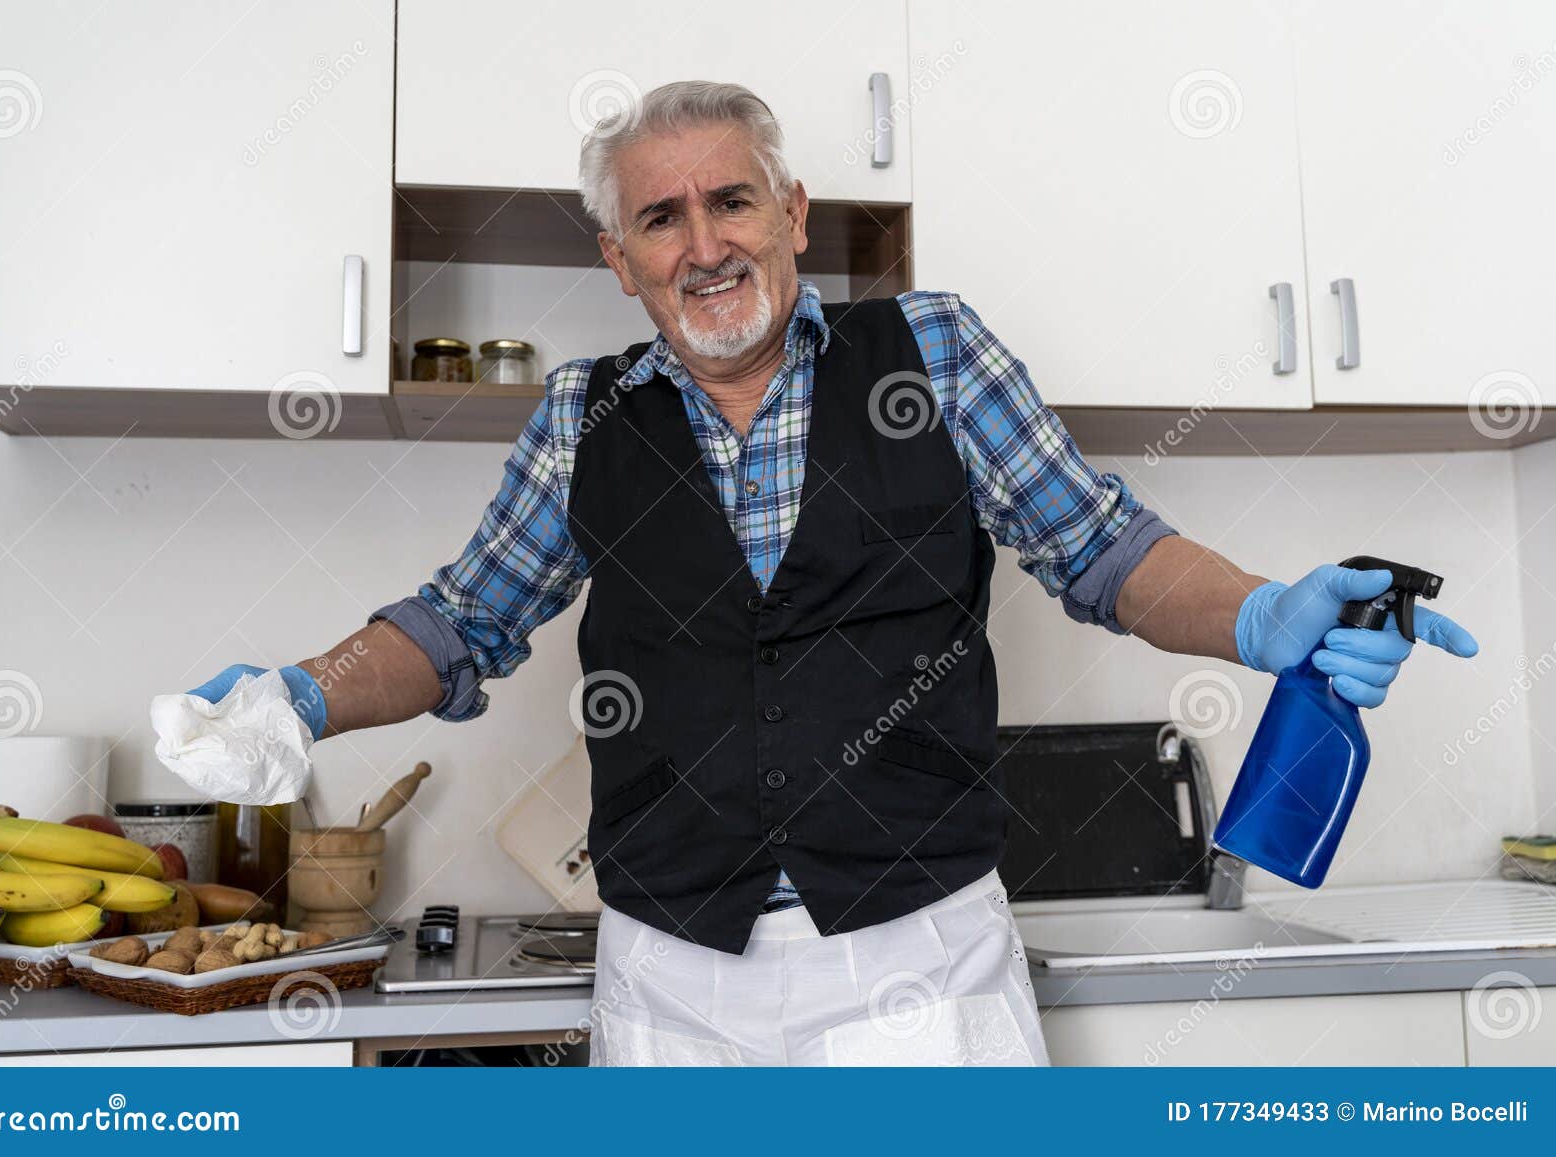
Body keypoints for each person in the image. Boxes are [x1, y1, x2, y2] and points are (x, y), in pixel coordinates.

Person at [181, 81, 1477, 1065]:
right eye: (660, 217)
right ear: (620, 261)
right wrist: (302, 692)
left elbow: (1103, 548)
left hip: (920, 961)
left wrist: (1257, 613)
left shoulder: (934, 352)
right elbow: (460, 622)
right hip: (673, 980)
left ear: (792, 213)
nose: (704, 242)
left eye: (731, 198)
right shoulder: (584, 416)